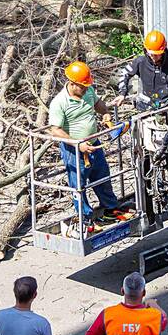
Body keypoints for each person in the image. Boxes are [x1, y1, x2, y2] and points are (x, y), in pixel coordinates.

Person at [46, 61, 120, 221]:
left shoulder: (88, 91)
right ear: (72, 84)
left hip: (94, 144)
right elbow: (56, 130)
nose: (86, 89)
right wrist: (78, 144)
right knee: (78, 185)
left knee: (103, 177)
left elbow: (98, 104)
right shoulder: (59, 103)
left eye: (87, 86)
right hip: (74, 150)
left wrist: (105, 112)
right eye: (82, 86)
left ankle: (111, 209)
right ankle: (85, 218)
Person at [115, 30, 168, 198]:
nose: (154, 58)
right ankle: (148, 187)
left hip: (167, 113)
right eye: (151, 54)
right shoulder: (140, 62)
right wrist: (122, 93)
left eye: (158, 55)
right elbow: (124, 74)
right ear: (146, 50)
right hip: (145, 112)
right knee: (145, 151)